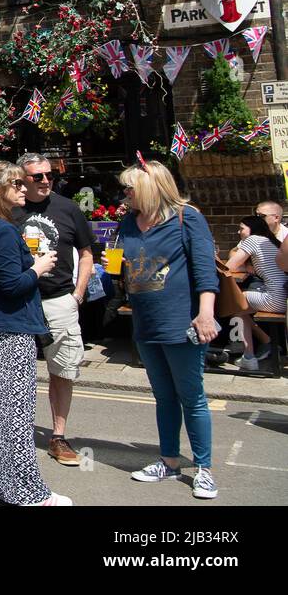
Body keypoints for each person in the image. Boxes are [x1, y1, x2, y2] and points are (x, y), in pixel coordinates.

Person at [0, 161, 66, 506]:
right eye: (16, 184)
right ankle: (28, 493)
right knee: (14, 413)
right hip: (7, 326)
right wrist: (38, 267)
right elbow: (11, 285)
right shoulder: (2, 230)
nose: (24, 188)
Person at [116, 160, 219, 500]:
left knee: (192, 399)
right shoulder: (129, 223)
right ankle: (169, 460)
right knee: (164, 398)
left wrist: (205, 314)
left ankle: (203, 469)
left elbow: (206, 272)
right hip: (145, 323)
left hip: (181, 323)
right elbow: (127, 265)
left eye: (130, 188)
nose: (125, 194)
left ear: (148, 187)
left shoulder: (186, 217)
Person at [12, 153, 95, 466]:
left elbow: (87, 253)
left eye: (49, 175)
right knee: (16, 371)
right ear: (23, 178)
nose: (46, 181)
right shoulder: (11, 209)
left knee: (62, 370)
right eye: (38, 176)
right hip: (19, 301)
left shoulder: (67, 208)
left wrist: (78, 294)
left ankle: (58, 436)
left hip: (58, 300)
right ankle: (13, 433)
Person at [224, 216, 284, 372]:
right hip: (284, 297)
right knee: (240, 306)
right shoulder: (270, 241)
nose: (239, 231)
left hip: (275, 298)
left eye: (242, 228)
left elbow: (228, 267)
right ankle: (262, 344)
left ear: (252, 229)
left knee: (236, 303)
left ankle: (249, 356)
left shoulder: (253, 240)